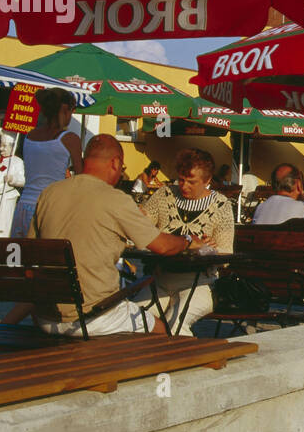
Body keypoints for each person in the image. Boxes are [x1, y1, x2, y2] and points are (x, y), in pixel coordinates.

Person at [24, 135, 202, 336]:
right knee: (162, 331)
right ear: (115, 162)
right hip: (94, 317)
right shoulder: (115, 199)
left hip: (46, 317)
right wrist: (187, 240)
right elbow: (163, 246)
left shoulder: (49, 193)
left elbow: (31, 250)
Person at [141, 148, 236, 335]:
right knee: (134, 321)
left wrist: (208, 249)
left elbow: (226, 253)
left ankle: (189, 362)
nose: (184, 186)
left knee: (174, 325)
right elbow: (139, 229)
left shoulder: (221, 204)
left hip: (200, 283)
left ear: (207, 181)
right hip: (161, 279)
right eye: (181, 179)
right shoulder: (164, 195)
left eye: (192, 182)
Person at [11, 87, 82, 238]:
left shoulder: (30, 136)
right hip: (49, 207)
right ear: (65, 110)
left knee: (17, 257)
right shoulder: (70, 138)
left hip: (24, 205)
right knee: (47, 259)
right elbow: (82, 178)